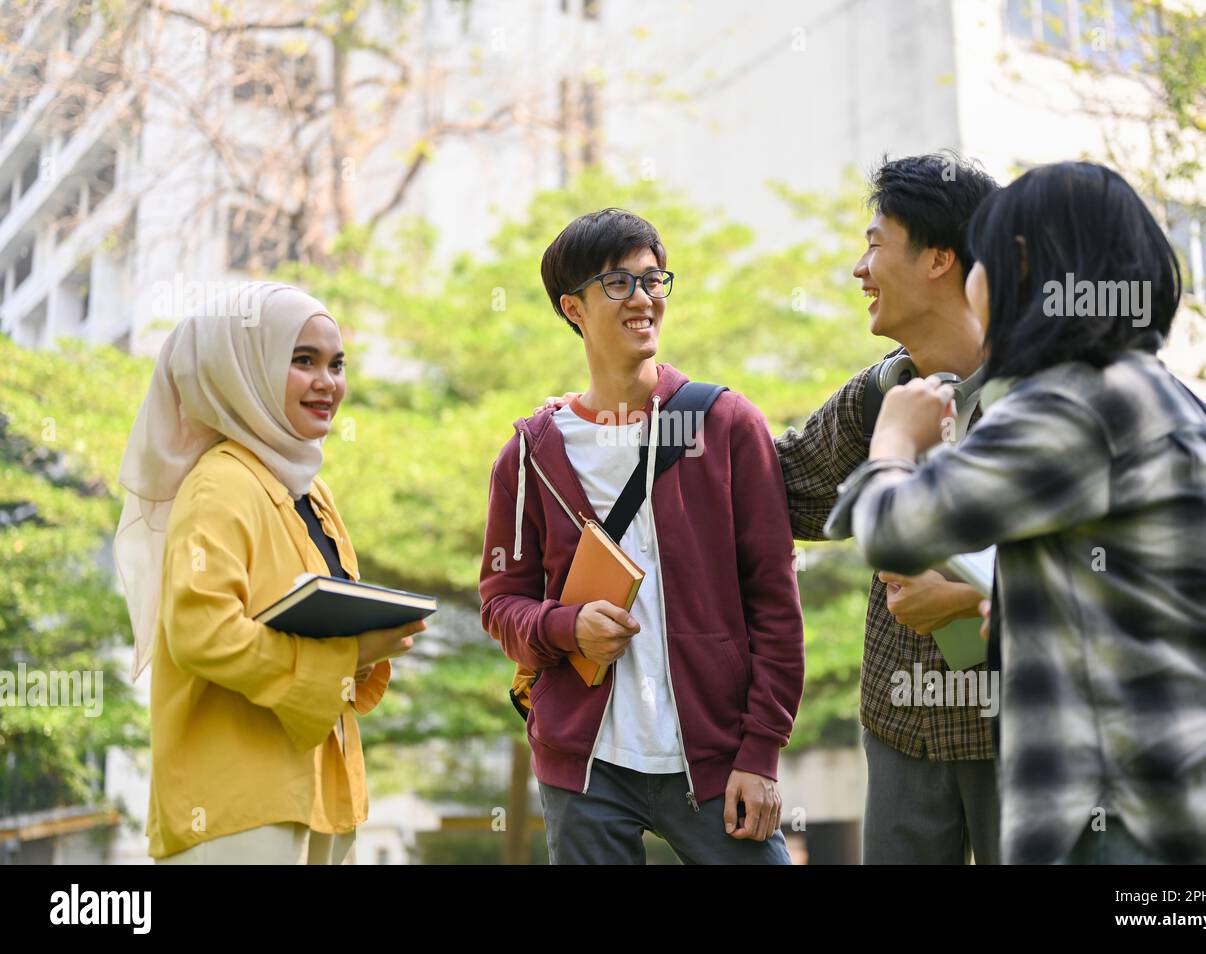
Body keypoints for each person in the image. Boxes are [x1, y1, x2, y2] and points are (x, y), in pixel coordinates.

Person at [852, 161, 1206, 864]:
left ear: (1022, 267)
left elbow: (890, 527)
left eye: (985, 260)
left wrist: (893, 437)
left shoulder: (1070, 401)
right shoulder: (1156, 391)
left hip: (1149, 825)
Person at [479, 209, 805, 864]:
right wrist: (567, 627)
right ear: (573, 308)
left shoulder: (724, 424)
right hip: (585, 764)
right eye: (619, 283)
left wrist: (762, 751)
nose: (645, 298)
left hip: (714, 760)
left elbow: (773, 598)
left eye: (655, 280)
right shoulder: (530, 454)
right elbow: (499, 604)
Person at [114, 282, 424, 863]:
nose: (327, 383)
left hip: (315, 795)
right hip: (236, 809)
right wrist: (347, 654)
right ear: (242, 368)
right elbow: (201, 631)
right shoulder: (219, 483)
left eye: (336, 364)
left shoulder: (308, 488)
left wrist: (368, 639)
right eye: (301, 360)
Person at [775, 154, 1002, 864]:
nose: (858, 268)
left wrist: (967, 598)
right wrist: (646, 397)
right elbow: (781, 490)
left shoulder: (1049, 399)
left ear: (939, 258)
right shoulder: (879, 394)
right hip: (905, 728)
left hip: (1027, 729)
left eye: (875, 243)